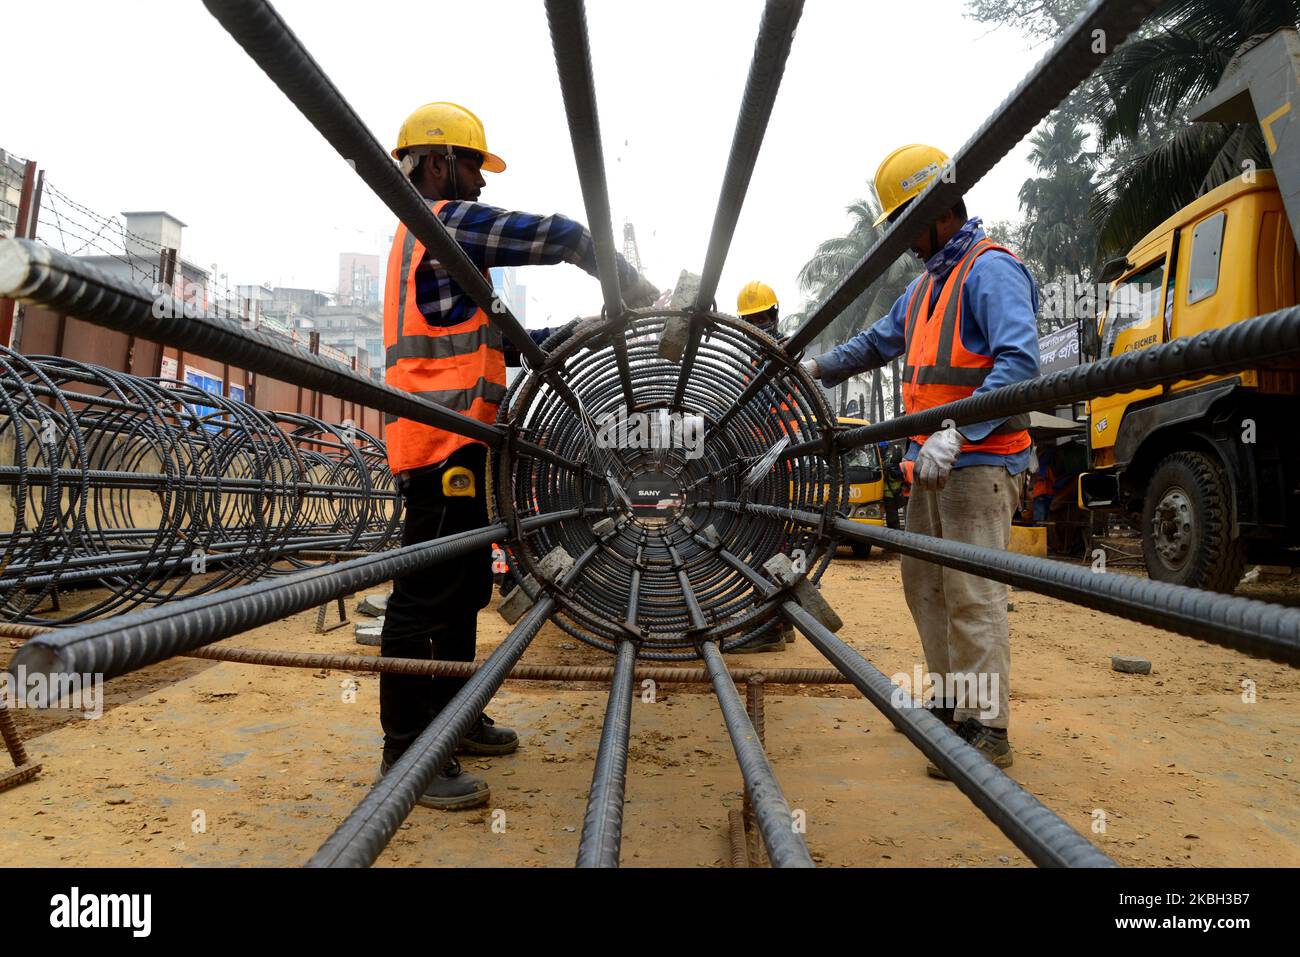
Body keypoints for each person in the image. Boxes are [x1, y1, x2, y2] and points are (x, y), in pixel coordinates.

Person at [380, 101, 657, 809]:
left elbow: (500, 342)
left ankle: (456, 717)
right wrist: (637, 289)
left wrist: (583, 327)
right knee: (426, 592)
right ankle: (407, 753)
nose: (479, 183)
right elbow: (561, 235)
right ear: (437, 163)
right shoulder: (442, 223)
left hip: (460, 445)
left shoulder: (436, 253)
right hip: (442, 446)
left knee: (466, 585)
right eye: (473, 165)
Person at [801, 144, 1040, 778]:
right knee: (925, 585)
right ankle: (955, 702)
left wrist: (959, 429)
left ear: (938, 208)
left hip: (980, 464)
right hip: (930, 466)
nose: (903, 239)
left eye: (907, 221)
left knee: (972, 592)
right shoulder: (928, 284)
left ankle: (987, 728)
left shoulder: (992, 271)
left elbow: (1020, 364)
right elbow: (877, 342)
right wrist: (815, 366)